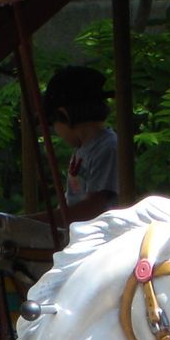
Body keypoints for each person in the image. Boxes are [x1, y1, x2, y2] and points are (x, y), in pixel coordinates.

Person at [40, 65, 120, 226]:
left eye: (52, 122)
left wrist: (29, 223)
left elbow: (93, 208)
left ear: (64, 115)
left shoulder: (107, 148)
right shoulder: (82, 149)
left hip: (99, 239)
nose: (55, 131)